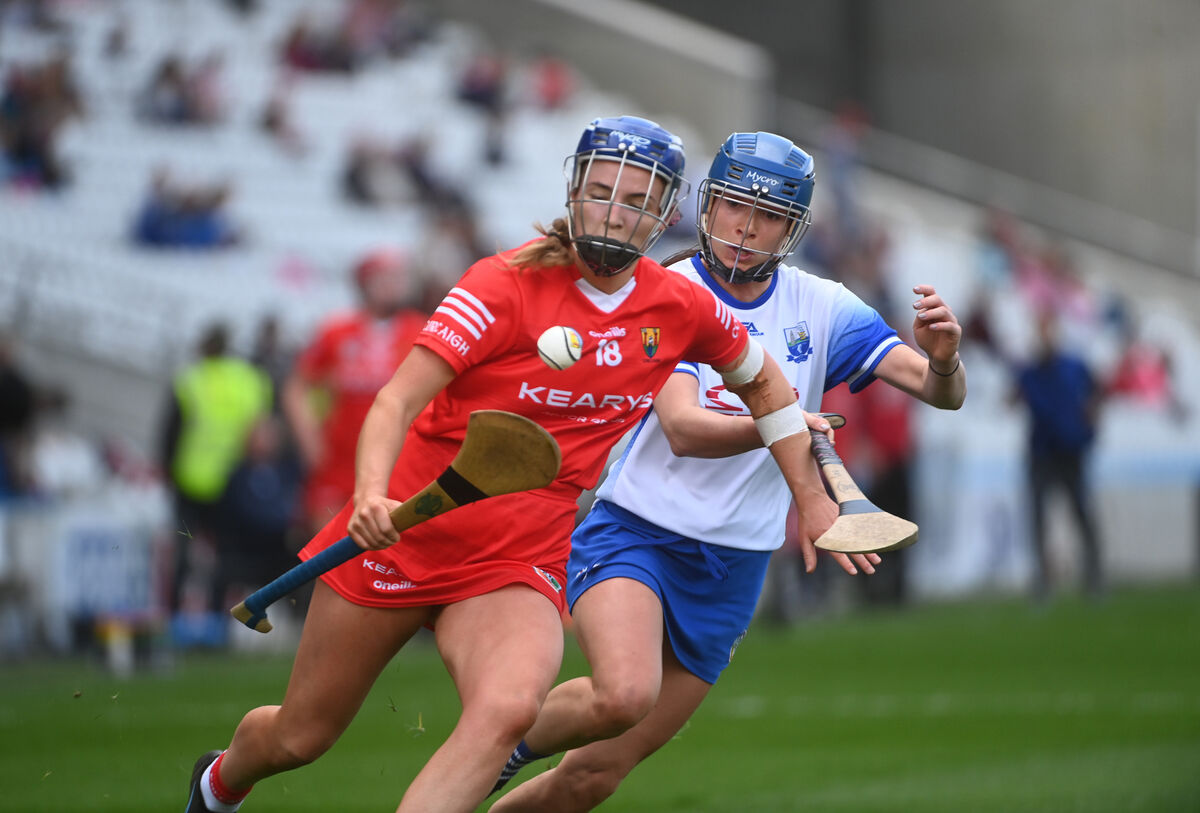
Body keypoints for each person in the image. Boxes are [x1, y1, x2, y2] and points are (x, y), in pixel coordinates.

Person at [183, 115, 840, 813]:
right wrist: (370, 493)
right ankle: (218, 782)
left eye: (636, 198)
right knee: (300, 735)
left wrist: (808, 491)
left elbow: (768, 386)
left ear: (663, 214)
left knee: (507, 711)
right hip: (405, 534)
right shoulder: (503, 284)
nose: (615, 210)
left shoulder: (678, 305)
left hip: (514, 561)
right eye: (601, 190)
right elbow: (395, 401)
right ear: (574, 191)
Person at [488, 130, 967, 811]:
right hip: (637, 532)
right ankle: (489, 743)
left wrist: (945, 357)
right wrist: (777, 422)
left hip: (735, 564)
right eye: (735, 206)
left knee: (593, 775)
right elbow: (682, 428)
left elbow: (939, 391)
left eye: (768, 214)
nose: (746, 226)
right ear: (707, 206)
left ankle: (484, 756)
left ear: (792, 228)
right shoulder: (665, 292)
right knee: (623, 692)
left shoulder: (821, 305)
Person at [282, 249, 428, 535]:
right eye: (383, 278)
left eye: (398, 277)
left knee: (383, 556)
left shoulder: (421, 329)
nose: (393, 285)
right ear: (363, 283)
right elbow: (296, 387)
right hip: (337, 462)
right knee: (326, 552)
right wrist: (308, 436)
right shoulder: (337, 331)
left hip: (396, 464)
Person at [161, 324, 273, 618]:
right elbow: (261, 432)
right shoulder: (250, 380)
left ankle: (174, 618)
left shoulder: (191, 378)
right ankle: (216, 620)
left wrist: (166, 469)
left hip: (190, 479)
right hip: (232, 481)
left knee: (184, 554)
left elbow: (170, 430)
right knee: (226, 555)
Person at [1011, 309, 1104, 601]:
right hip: (1041, 452)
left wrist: (1090, 424)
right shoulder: (1029, 371)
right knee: (1039, 519)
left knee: (1082, 514)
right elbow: (1013, 398)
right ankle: (1042, 583)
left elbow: (1096, 394)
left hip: (1070, 450)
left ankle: (1094, 580)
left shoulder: (1074, 366)